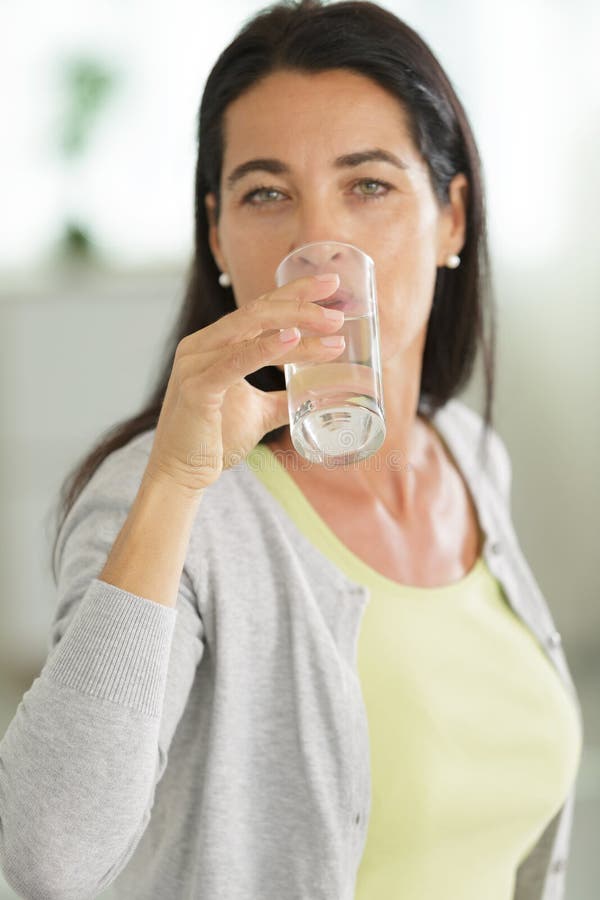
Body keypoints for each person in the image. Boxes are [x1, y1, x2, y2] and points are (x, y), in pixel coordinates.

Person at [0, 1, 583, 898]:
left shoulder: (470, 455)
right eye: (266, 193)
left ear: (453, 218)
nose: (321, 249)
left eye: (370, 185)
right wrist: (177, 478)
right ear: (219, 235)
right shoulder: (163, 498)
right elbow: (50, 858)